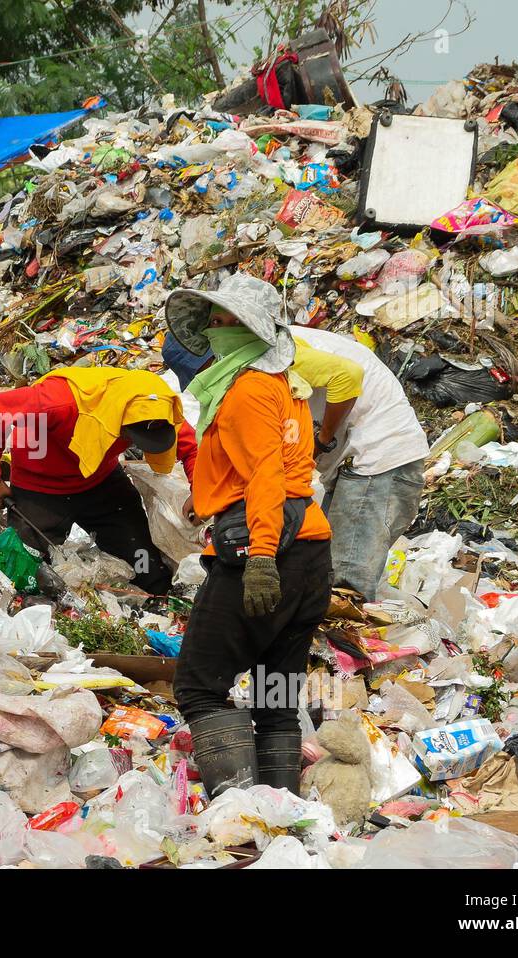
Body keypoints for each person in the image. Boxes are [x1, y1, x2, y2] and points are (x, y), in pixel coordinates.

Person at [163, 274, 333, 797]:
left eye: (224, 320)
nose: (214, 330)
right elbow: (276, 466)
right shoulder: (288, 385)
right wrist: (208, 495)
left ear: (252, 330)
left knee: (198, 686)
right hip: (309, 553)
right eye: (211, 320)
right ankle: (280, 815)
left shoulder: (247, 391)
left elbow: (266, 476)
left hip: (263, 552)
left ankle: (238, 812)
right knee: (275, 697)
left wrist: (259, 558)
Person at [164, 322, 427, 601]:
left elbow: (347, 376)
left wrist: (322, 440)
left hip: (378, 455)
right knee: (320, 573)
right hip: (353, 462)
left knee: (345, 582)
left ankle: (338, 643)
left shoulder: (274, 349)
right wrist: (204, 492)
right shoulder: (251, 369)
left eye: (205, 371)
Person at [0, 367, 189, 595]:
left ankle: (158, 599)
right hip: (39, 488)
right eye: (129, 436)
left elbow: (192, 448)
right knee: (21, 575)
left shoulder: (157, 411)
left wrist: (200, 493)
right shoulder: (57, 401)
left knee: (144, 561)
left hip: (101, 481)